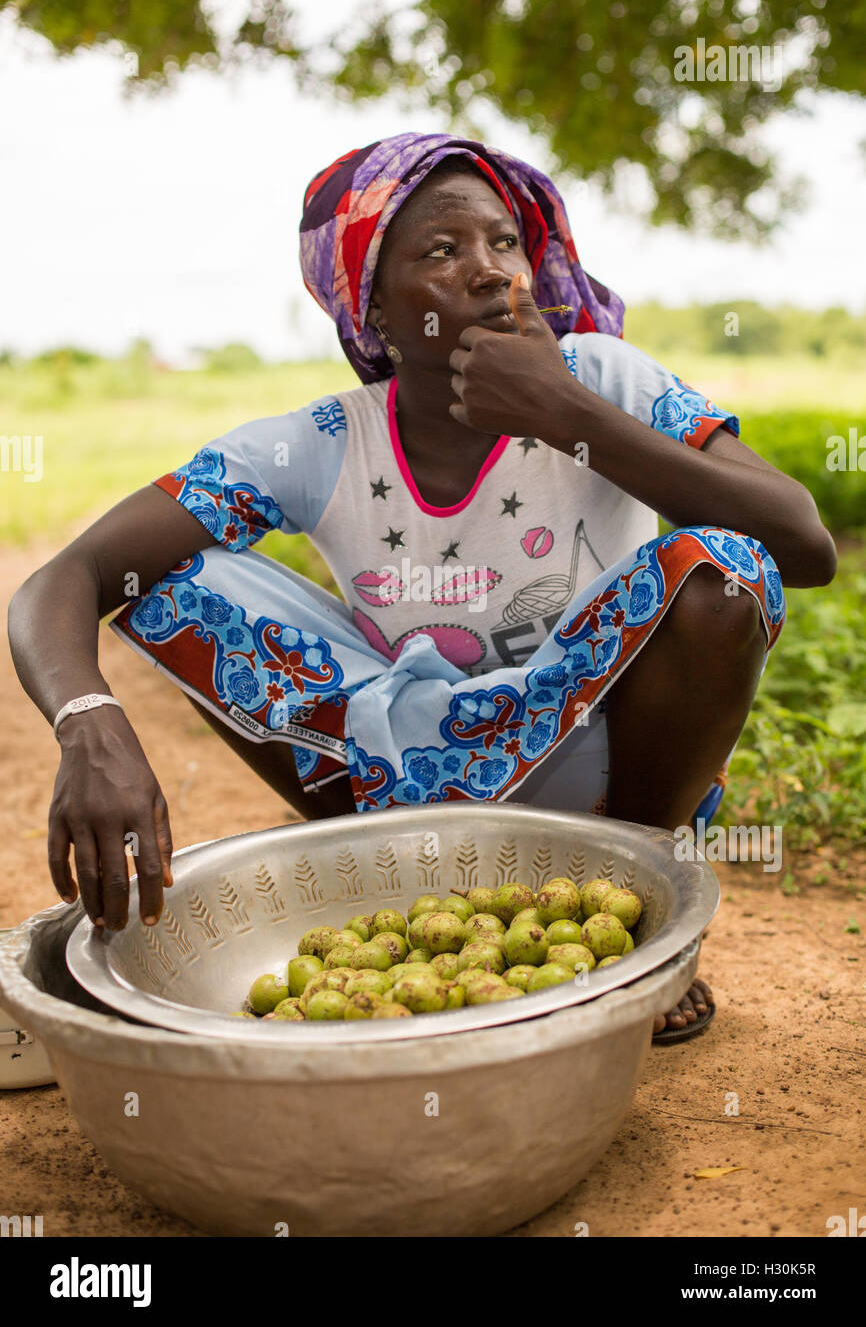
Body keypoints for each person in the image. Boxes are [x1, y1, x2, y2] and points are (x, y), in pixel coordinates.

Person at [8, 132, 836, 1042]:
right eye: (441, 252)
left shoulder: (603, 381)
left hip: (610, 775)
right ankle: (408, 891)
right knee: (174, 583)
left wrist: (571, 417)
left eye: (504, 242)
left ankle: (637, 914)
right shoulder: (322, 442)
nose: (491, 273)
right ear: (372, 314)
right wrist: (88, 721)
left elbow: (801, 541)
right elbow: (70, 574)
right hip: (411, 786)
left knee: (725, 574)